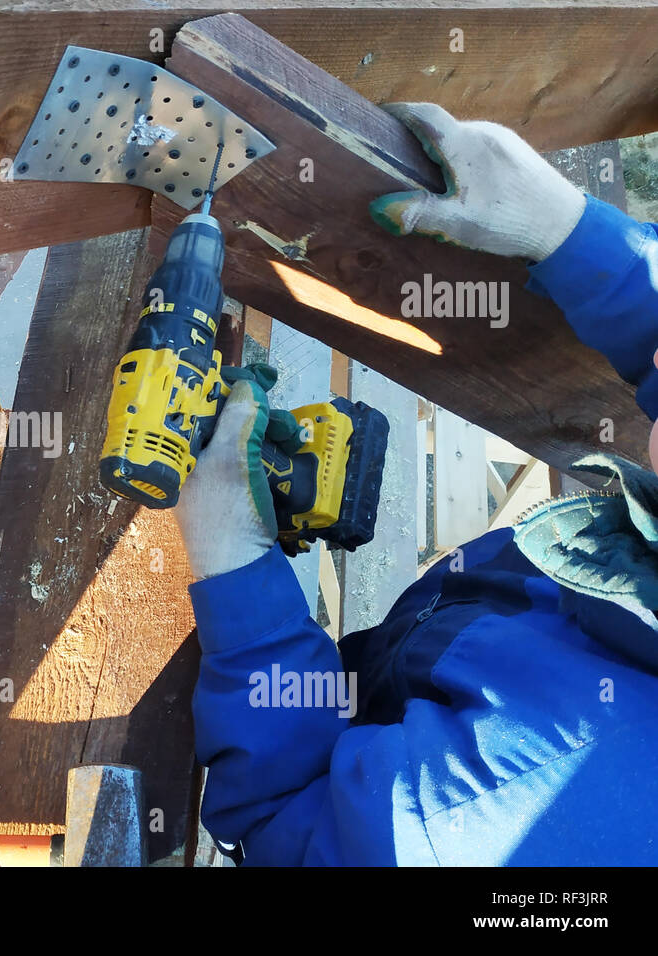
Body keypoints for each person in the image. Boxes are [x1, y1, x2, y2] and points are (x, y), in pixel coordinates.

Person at [178, 102, 658, 865]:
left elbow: (278, 820)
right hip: (458, 638)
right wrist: (576, 236)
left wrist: (241, 586)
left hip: (377, 744)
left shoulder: (505, 812)